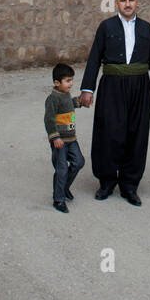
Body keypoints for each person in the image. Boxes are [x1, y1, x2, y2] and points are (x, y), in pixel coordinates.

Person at [79, 0, 150, 204]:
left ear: (137, 2)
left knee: (136, 133)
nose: (127, 4)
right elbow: (94, 59)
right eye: (123, 0)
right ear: (117, 3)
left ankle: (130, 185)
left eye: (131, 0)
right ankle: (107, 181)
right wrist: (87, 89)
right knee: (109, 132)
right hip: (112, 86)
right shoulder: (106, 27)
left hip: (140, 86)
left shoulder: (147, 29)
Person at [44, 62, 87, 213]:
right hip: (60, 141)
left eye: (71, 80)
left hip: (71, 139)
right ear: (57, 83)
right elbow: (49, 119)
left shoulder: (66, 95)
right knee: (61, 169)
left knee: (79, 161)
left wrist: (80, 102)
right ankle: (59, 199)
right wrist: (55, 137)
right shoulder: (53, 99)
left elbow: (69, 104)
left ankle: (63, 187)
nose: (71, 83)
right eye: (67, 81)